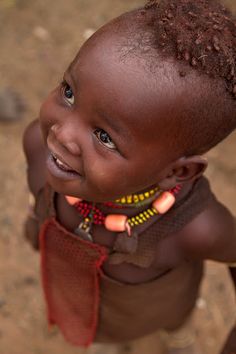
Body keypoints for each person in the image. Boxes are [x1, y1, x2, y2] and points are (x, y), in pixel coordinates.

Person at [23, 0, 236, 353]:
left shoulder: (198, 228)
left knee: (173, 333)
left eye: (104, 137)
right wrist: (35, 220)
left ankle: (179, 340)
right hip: (82, 305)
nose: (62, 134)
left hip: (162, 314)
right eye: (69, 93)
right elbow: (37, 204)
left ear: (177, 172)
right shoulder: (38, 146)